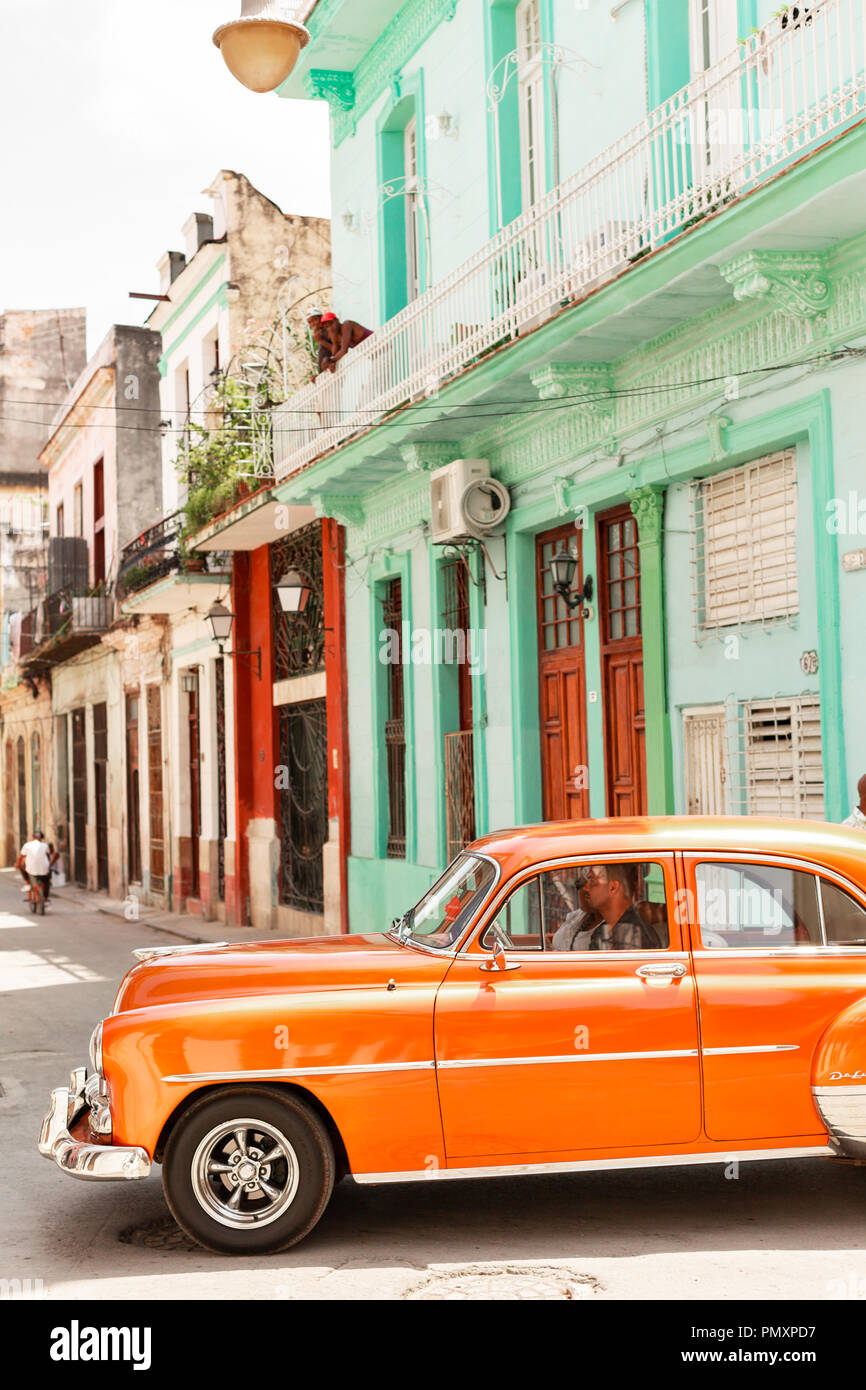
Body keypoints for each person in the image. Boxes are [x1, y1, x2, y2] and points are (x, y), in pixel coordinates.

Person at [580, 862, 661, 950]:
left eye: (592, 881)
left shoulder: (632, 933)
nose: (585, 888)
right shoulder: (607, 929)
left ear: (613, 888)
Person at [16, 830, 52, 908]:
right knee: (47, 882)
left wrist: (17, 864)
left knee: (22, 866)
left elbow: (21, 857)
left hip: (31, 870)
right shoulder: (45, 845)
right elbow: (48, 856)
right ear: (41, 838)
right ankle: (45, 898)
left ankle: (28, 883)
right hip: (44, 870)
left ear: (32, 838)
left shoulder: (27, 845)